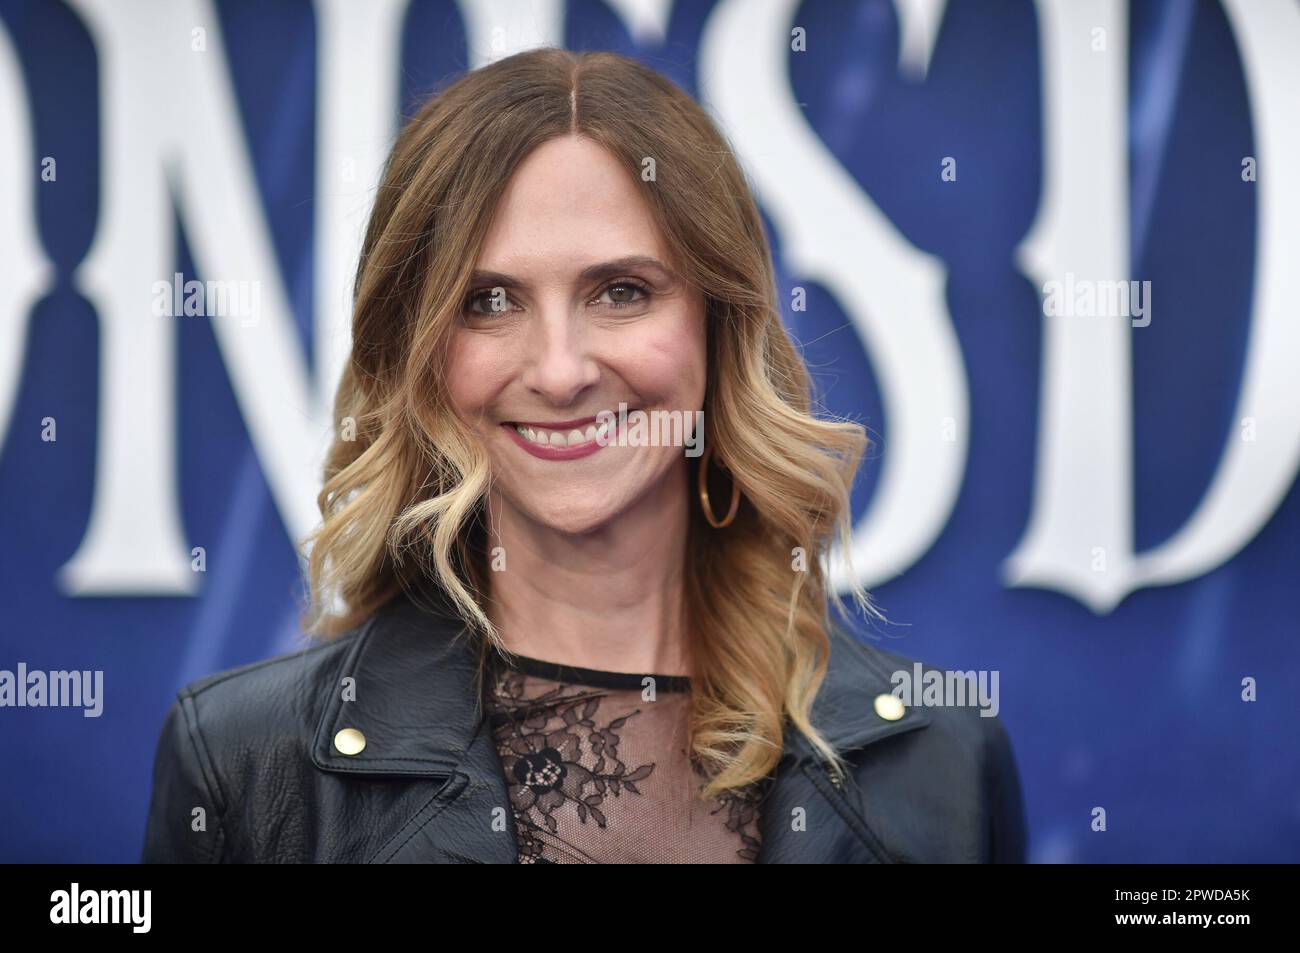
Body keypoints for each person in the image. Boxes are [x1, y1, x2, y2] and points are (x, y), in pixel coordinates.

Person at [140, 47, 1027, 864]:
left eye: (622, 291)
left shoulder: (940, 754)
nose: (560, 371)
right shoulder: (246, 763)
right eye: (489, 301)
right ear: (418, 351)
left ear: (719, 325)